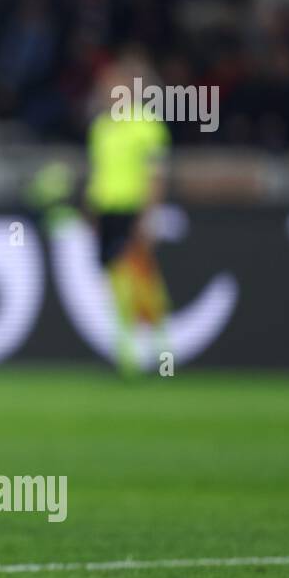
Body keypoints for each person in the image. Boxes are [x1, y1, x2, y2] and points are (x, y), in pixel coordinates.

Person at [85, 54, 171, 376]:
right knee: (115, 281)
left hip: (133, 210)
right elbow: (98, 173)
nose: (109, 91)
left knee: (141, 279)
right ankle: (127, 351)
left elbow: (156, 176)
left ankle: (160, 346)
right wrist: (91, 210)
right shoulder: (101, 128)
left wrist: (148, 215)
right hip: (107, 210)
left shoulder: (147, 126)